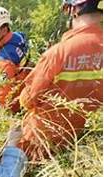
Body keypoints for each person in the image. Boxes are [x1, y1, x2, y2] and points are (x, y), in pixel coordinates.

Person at [17, 0, 103, 160]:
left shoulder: (58, 53)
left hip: (42, 145)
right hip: (85, 144)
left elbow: (26, 100)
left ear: (74, 9)